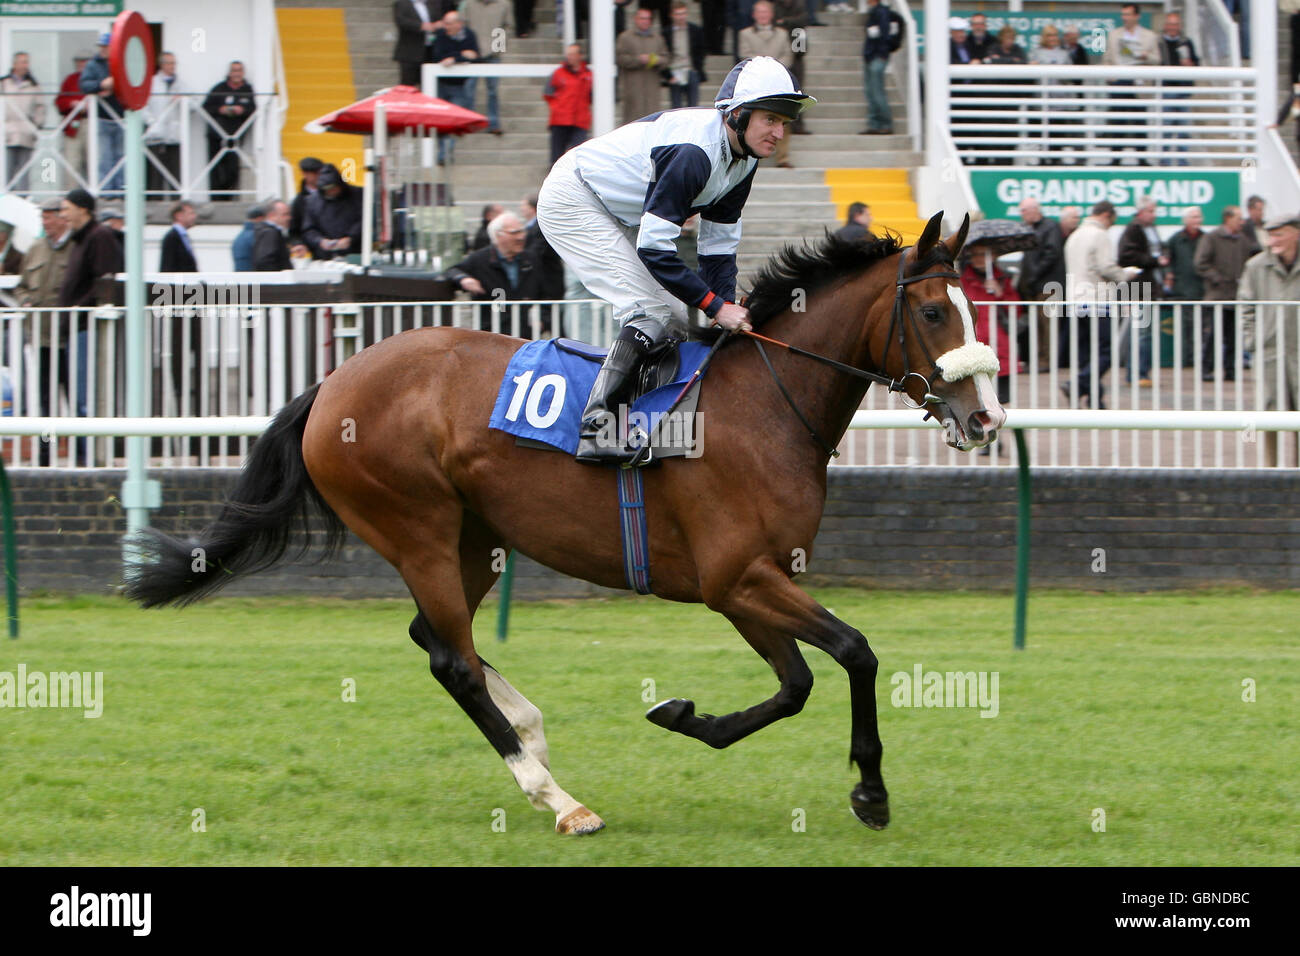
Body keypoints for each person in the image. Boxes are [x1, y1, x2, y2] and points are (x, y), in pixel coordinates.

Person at [536, 55, 814, 461]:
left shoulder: (745, 159)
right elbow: (655, 250)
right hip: (574, 198)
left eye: (784, 122)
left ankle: (648, 418)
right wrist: (716, 307)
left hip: (618, 210)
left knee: (676, 319)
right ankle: (596, 427)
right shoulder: (692, 153)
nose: (779, 132)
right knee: (652, 311)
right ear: (738, 115)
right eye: (770, 119)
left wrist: (724, 308)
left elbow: (717, 249)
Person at [58, 188, 123, 460]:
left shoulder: (99, 237)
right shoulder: (82, 239)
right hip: (77, 327)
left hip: (87, 327)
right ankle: (84, 453)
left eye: (66, 208)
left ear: (83, 209)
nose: (63, 215)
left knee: (87, 396)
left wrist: (78, 307)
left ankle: (90, 456)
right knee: (79, 395)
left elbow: (105, 280)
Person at [1062, 200, 1141, 407]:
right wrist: (1126, 274)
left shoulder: (1074, 235)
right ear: (1107, 215)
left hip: (1074, 300)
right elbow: (1106, 267)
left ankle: (1095, 398)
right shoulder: (1099, 235)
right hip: (1096, 299)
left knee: (1087, 353)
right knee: (1107, 351)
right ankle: (1078, 384)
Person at [14, 199, 72, 464]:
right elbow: (22, 286)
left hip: (71, 338)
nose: (45, 223)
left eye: (49, 218)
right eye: (43, 218)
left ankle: (83, 450)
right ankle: (46, 452)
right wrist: (25, 300)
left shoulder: (76, 248)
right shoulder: (35, 249)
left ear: (62, 219)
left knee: (76, 397)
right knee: (45, 399)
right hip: (41, 337)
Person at [1239, 215, 1300, 467]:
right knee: (1267, 416)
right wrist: (1252, 340)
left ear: (1295, 234)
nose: (1272, 240)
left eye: (1279, 234)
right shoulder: (1256, 266)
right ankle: (1269, 473)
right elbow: (1245, 305)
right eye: (1270, 234)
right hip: (1270, 350)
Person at [445, 212, 549, 332]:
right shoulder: (479, 259)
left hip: (525, 334)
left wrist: (543, 320)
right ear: (498, 235)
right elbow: (451, 271)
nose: (521, 237)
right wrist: (463, 278)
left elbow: (546, 293)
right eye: (514, 233)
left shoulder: (531, 259)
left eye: (522, 231)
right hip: (492, 334)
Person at [1194, 205, 1253, 381]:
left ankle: (1230, 369)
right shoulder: (1211, 238)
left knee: (1233, 336)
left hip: (1235, 297)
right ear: (1228, 218)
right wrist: (1216, 278)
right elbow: (1200, 263)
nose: (1241, 222)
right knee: (1213, 335)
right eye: (1238, 218)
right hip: (1217, 296)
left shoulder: (1243, 241)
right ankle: (1206, 368)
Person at [1117, 197, 1167, 384]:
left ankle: (1141, 372)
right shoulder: (1133, 230)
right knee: (1141, 333)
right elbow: (1126, 256)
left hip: (1151, 287)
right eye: (1151, 211)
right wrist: (1154, 261)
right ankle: (1137, 374)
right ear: (1141, 211)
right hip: (1140, 288)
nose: (1154, 215)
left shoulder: (1150, 229)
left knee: (1144, 332)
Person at [1103, 3, 1158, 165]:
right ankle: (1116, 158)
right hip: (1119, 81)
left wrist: (1145, 56)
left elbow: (1158, 59)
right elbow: (1107, 58)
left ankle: (1141, 158)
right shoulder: (1114, 35)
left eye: (1128, 14)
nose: (1124, 18)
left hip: (1139, 83)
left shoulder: (1150, 36)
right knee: (1118, 121)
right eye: (1123, 14)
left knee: (1140, 121)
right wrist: (1109, 75)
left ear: (1136, 16)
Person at [740, 2, 795, 166]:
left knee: (782, 121)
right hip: (754, 86)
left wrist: (774, 69)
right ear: (754, 15)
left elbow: (788, 56)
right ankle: (748, 157)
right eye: (759, 12)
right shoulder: (745, 34)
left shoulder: (783, 34)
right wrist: (763, 69)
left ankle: (782, 158)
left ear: (771, 14)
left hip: (779, 86)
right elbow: (745, 56)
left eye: (766, 12)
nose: (763, 15)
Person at [960, 247, 1017, 405]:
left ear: (993, 256)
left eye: (984, 255)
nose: (979, 259)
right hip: (974, 345)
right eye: (975, 255)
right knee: (978, 400)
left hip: (1000, 345)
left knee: (1004, 400)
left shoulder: (1003, 280)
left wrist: (1000, 294)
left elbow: (1016, 310)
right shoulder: (962, 281)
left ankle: (1014, 430)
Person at [1016, 198, 1065, 369]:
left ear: (1033, 210)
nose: (1021, 215)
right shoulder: (1034, 229)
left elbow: (1051, 254)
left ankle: (1048, 361)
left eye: (1023, 211)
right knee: (1038, 326)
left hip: (1048, 286)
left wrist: (1032, 276)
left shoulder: (1050, 227)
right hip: (1037, 286)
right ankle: (1040, 359)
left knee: (1047, 326)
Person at [431, 11, 481, 165]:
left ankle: (444, 153)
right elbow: (437, 56)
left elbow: (476, 57)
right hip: (441, 84)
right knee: (440, 121)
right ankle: (442, 152)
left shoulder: (469, 35)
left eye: (449, 23)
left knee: (452, 122)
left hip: (459, 86)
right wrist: (461, 55)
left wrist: (454, 58)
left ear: (459, 24)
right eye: (445, 23)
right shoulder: (441, 35)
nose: (446, 27)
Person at [80, 33, 126, 196]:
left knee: (122, 156)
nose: (104, 50)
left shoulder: (122, 63)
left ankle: (122, 191)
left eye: (107, 47)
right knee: (104, 156)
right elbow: (85, 85)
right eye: (102, 47)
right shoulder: (93, 65)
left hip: (122, 116)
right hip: (101, 117)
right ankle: (106, 192)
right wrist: (101, 85)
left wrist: (115, 87)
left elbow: (131, 82)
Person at [203, 62, 257, 201]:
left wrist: (242, 110)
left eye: (239, 70)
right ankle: (215, 200)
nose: (236, 73)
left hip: (235, 137)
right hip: (216, 136)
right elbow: (206, 107)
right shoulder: (219, 88)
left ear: (243, 73)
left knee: (232, 170)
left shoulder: (247, 90)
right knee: (215, 168)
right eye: (234, 70)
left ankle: (228, 198)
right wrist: (221, 109)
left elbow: (253, 110)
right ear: (229, 72)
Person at [1156, 12, 1197, 167]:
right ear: (1166, 26)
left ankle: (1182, 159)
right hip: (1166, 88)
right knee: (1166, 126)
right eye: (1170, 24)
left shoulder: (1186, 42)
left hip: (1183, 89)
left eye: (1175, 24)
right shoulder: (1159, 42)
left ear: (1179, 26)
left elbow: (1196, 63)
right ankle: (1164, 159)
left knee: (1183, 127)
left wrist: (1190, 64)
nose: (1173, 27)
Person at [1164, 206, 1205, 362]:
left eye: (1199, 217)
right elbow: (1166, 259)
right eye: (1194, 217)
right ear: (1186, 220)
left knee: (1201, 327)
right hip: (1182, 289)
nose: (1197, 220)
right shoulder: (1176, 240)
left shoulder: (1205, 239)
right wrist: (1169, 275)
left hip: (1201, 289)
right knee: (1184, 326)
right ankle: (1184, 358)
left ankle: (1197, 358)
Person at [143, 52, 185, 199]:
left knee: (175, 173)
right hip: (155, 135)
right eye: (169, 63)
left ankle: (176, 203)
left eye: (174, 63)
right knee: (155, 174)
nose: (172, 66)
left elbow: (194, 104)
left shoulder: (181, 83)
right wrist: (152, 123)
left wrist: (182, 102)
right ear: (162, 65)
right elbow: (143, 106)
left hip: (174, 136)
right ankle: (155, 202)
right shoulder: (151, 83)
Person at [617, 7, 668, 126]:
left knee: (652, 123)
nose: (645, 21)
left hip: (652, 90)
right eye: (642, 18)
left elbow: (665, 59)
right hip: (633, 89)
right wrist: (638, 60)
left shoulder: (657, 39)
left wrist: (656, 61)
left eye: (648, 19)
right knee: (632, 123)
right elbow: (620, 58)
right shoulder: (625, 37)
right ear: (636, 19)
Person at [2, 53, 45, 193]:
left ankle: (23, 200)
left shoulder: (34, 85)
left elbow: (41, 107)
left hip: (26, 133)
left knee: (24, 172)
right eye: (22, 62)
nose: (25, 65)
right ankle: (6, 201)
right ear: (14, 64)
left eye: (27, 62)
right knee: (6, 170)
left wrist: (36, 125)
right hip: (6, 133)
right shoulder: (4, 83)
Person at [1031, 26, 1074, 164]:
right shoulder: (1036, 52)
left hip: (1059, 99)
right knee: (1041, 133)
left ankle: (1056, 160)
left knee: (1058, 133)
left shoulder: (1064, 54)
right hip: (1041, 100)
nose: (1052, 38)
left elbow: (1072, 74)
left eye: (1055, 35)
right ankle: (1042, 160)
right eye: (1049, 35)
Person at [544, 44, 593, 167]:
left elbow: (592, 95)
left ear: (580, 56)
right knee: (556, 158)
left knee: (578, 158)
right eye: (568, 54)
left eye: (572, 54)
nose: (569, 57)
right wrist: (557, 108)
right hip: (560, 121)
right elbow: (548, 93)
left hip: (580, 121)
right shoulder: (558, 73)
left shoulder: (588, 75)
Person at [303, 163, 363, 260]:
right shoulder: (312, 201)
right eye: (327, 190)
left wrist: (351, 238)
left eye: (333, 188)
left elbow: (364, 220)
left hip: (354, 253)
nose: (331, 191)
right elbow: (309, 229)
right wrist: (320, 241)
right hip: (325, 256)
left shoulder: (357, 195)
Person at [465, 0, 506, 135]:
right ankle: (469, 123)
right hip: (473, 53)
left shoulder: (503, 5)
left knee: (493, 90)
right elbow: (464, 26)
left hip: (493, 54)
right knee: (469, 89)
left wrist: (497, 50)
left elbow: (504, 27)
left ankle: (493, 123)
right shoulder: (469, 4)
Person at [56, 52, 92, 189]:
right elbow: (60, 101)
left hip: (91, 124)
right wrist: (73, 103)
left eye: (84, 63)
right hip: (73, 126)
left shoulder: (95, 79)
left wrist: (90, 106)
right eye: (79, 63)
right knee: (72, 162)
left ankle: (92, 195)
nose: (81, 65)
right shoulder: (70, 80)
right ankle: (71, 195)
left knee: (92, 162)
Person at [520, 193, 565, 301]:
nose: (521, 208)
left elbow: (538, 250)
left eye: (524, 205)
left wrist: (518, 257)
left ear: (532, 208)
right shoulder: (531, 226)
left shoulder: (541, 225)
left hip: (548, 280)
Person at [664, 1, 707, 110]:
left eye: (683, 13)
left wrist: (697, 68)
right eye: (678, 14)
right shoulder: (666, 32)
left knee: (693, 107)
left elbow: (701, 50)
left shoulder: (695, 30)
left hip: (691, 70)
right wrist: (668, 75)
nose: (681, 17)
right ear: (672, 15)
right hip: (675, 71)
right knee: (675, 108)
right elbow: (663, 53)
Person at [861, 0, 893, 135]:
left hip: (877, 56)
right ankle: (874, 124)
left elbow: (884, 35)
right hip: (871, 56)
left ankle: (885, 123)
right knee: (870, 91)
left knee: (877, 91)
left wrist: (881, 54)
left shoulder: (881, 12)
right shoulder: (874, 12)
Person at [393, 0, 442, 87]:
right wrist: (421, 26)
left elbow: (437, 19)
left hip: (429, 49)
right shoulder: (402, 4)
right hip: (410, 51)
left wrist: (437, 25)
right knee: (408, 83)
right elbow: (401, 21)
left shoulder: (431, 4)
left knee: (427, 83)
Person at [251, 199, 293, 271]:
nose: (289, 218)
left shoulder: (265, 231)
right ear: (271, 215)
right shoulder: (270, 233)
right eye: (285, 214)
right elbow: (265, 261)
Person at [160, 202, 200, 273]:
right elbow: (168, 266)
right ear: (179, 216)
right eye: (191, 213)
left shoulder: (182, 236)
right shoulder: (172, 237)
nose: (194, 217)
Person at [289, 156, 323, 240]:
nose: (319, 176)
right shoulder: (299, 201)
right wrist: (299, 243)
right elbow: (294, 229)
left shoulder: (330, 194)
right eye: (315, 173)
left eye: (320, 173)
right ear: (304, 174)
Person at [232, 203, 265, 271]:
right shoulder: (256, 236)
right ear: (260, 218)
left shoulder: (240, 237)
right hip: (253, 278)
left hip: (241, 277)